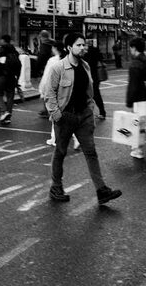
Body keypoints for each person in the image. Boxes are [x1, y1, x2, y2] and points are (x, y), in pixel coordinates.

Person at [43, 31, 122, 205]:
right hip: (66, 116)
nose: (83, 47)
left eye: (83, 44)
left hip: (83, 116)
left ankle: (101, 190)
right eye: (79, 45)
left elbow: (89, 91)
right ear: (69, 47)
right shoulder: (58, 68)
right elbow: (49, 94)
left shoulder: (85, 65)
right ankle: (56, 187)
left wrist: (91, 109)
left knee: (91, 152)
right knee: (60, 152)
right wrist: (57, 115)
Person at [0, 34, 22, 125]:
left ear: (3, 40)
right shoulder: (15, 51)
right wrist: (17, 78)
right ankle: (8, 116)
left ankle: (4, 111)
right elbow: (19, 65)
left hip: (1, 76)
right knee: (10, 96)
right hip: (12, 77)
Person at [84, 39, 107, 120]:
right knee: (96, 95)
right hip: (95, 76)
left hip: (88, 76)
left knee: (87, 95)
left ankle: (87, 113)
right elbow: (101, 59)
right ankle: (102, 112)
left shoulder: (85, 52)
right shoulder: (95, 50)